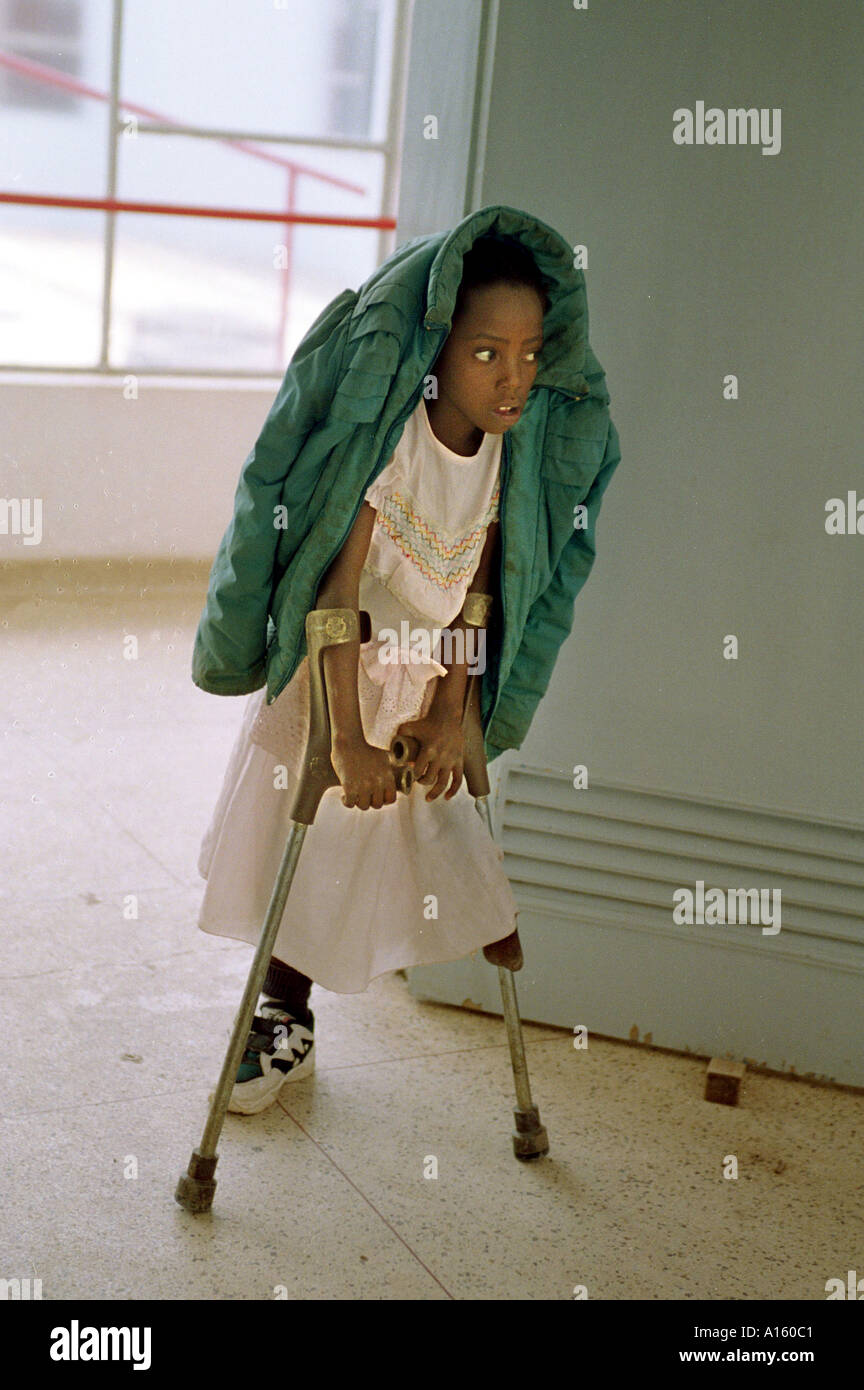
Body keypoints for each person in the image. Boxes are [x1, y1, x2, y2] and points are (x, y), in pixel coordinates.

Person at [192, 208, 621, 1114]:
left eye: (531, 354)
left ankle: (476, 925)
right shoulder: (391, 449)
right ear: (438, 350)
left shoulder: (513, 459)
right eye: (486, 355)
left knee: (406, 837)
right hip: (340, 683)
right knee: (307, 848)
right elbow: (334, 598)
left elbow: (478, 596)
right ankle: (282, 1014)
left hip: (423, 687)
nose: (514, 379)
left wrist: (448, 706)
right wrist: (346, 737)